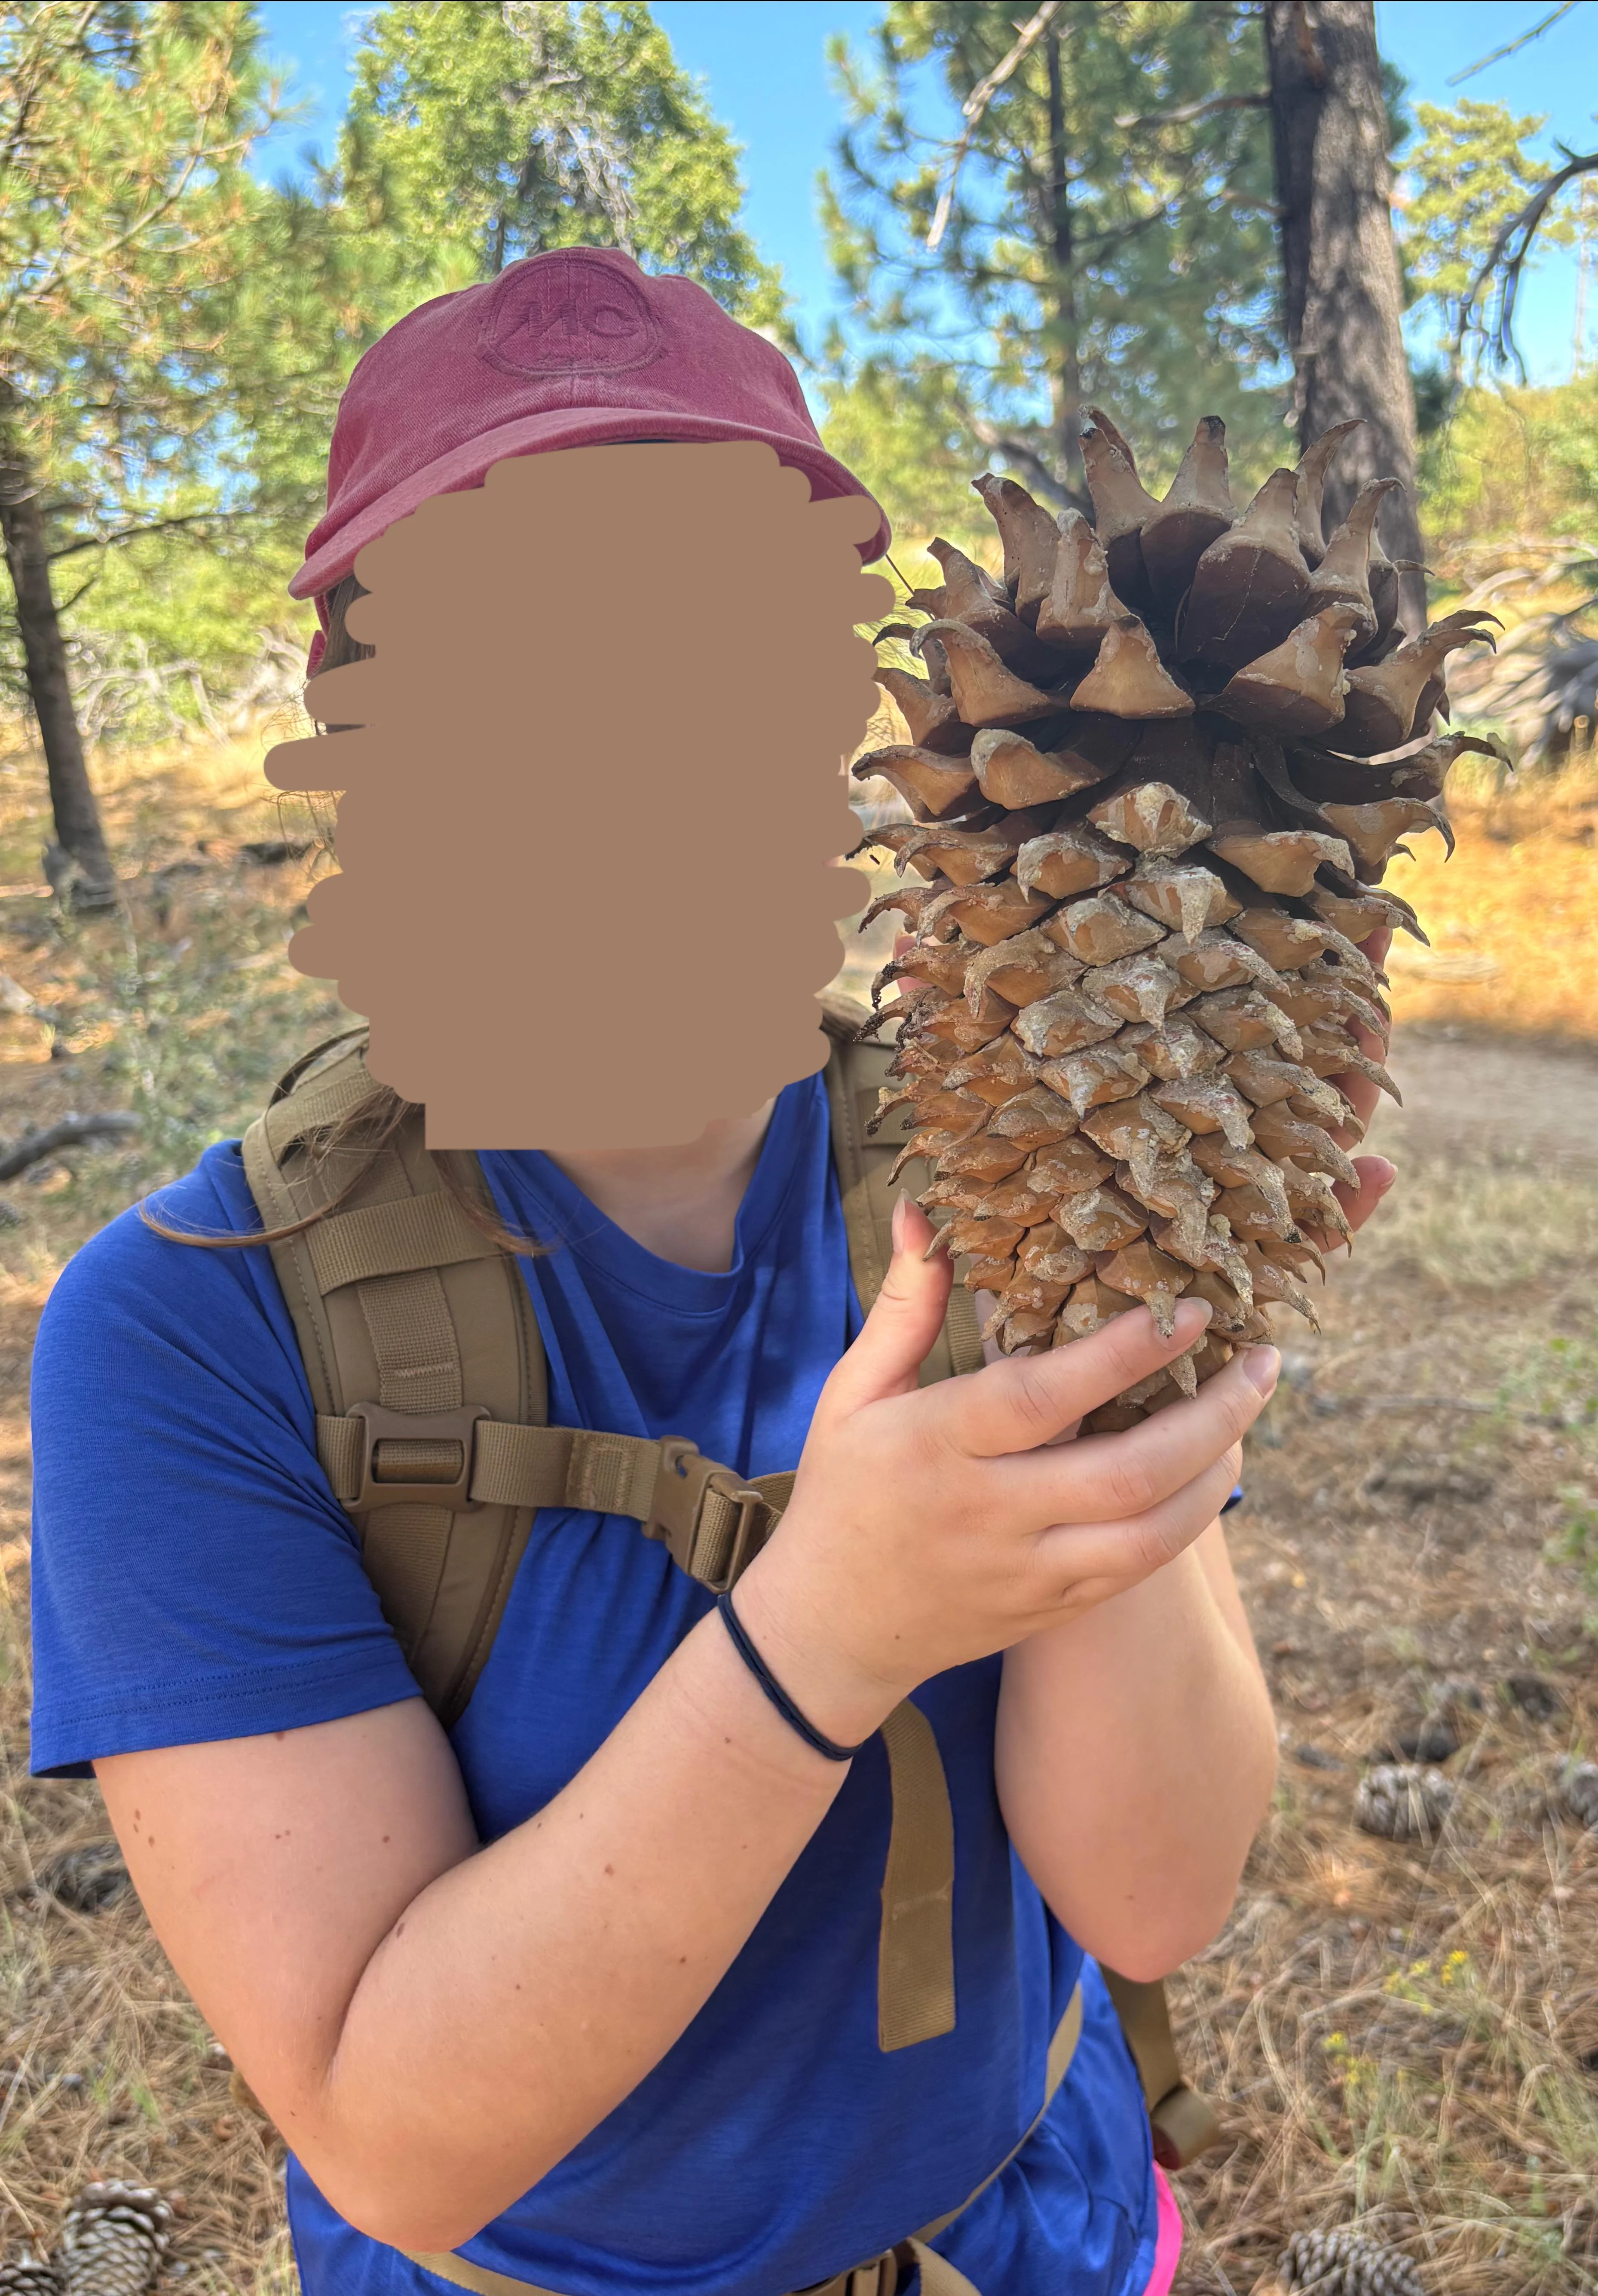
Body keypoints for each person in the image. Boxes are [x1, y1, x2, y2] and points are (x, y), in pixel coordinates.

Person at [29, 249, 1396, 2296]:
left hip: (1027, 2244)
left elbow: (1154, 1893)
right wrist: (825, 1629)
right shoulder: (188, 1332)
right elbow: (393, 2132)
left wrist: (1121, 1329)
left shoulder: (992, 1149)